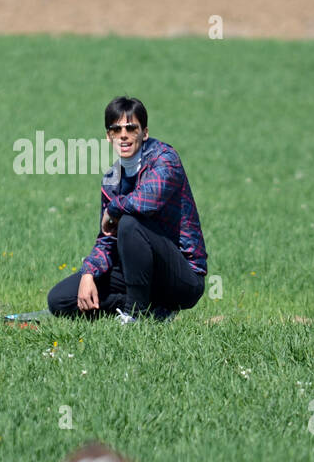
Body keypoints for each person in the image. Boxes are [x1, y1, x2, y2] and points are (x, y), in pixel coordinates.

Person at [47, 97, 207, 323]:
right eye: (116, 129)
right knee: (61, 299)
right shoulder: (112, 178)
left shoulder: (165, 159)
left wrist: (113, 208)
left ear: (145, 133)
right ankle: (155, 311)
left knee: (131, 222)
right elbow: (107, 237)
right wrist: (88, 273)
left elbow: (146, 201)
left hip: (181, 276)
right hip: (138, 271)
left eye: (131, 128)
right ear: (108, 136)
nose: (124, 135)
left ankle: (136, 315)